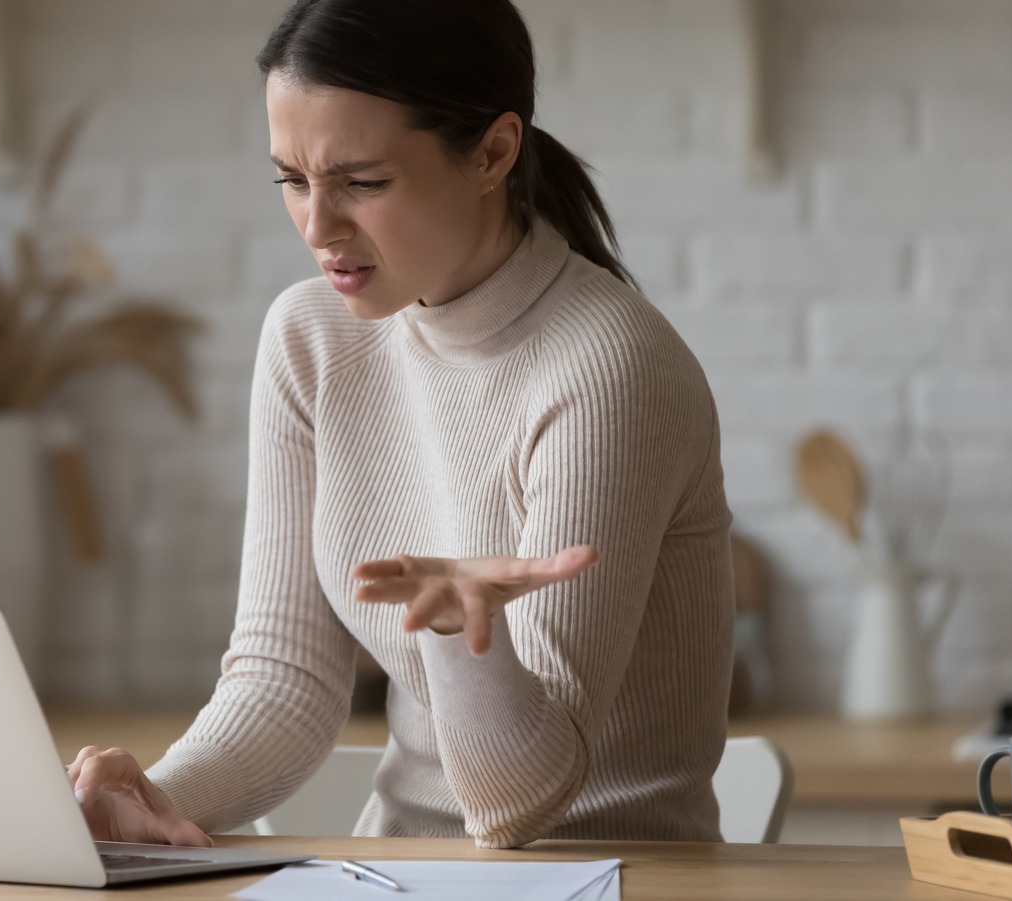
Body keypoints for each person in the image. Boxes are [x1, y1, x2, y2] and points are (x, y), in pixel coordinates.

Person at [66, 0, 734, 850]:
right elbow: (285, 684)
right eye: (292, 179)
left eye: (363, 182)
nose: (318, 225)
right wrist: (152, 801)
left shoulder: (607, 368)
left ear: (493, 153)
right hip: (391, 870)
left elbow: (520, 806)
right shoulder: (311, 339)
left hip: (612, 873)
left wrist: (463, 644)